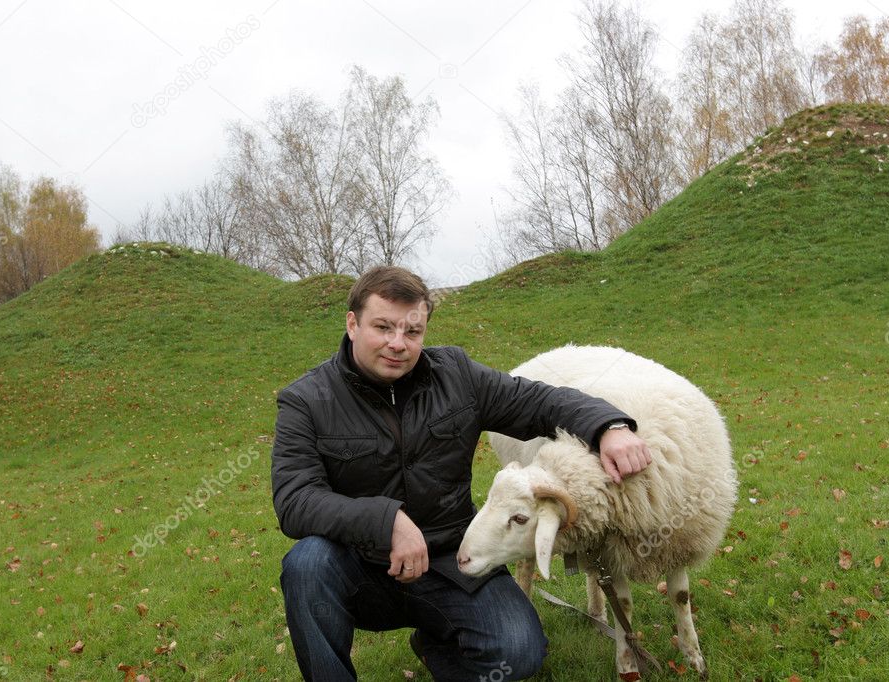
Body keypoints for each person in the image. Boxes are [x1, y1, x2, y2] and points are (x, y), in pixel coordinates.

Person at [271, 266, 651, 681]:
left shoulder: (456, 375)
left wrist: (608, 427)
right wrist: (386, 522)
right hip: (361, 568)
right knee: (307, 564)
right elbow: (295, 498)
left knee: (520, 653)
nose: (398, 344)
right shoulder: (307, 400)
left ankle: (437, 643)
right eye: (382, 327)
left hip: (454, 559)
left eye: (412, 332)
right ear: (352, 324)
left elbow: (541, 401)